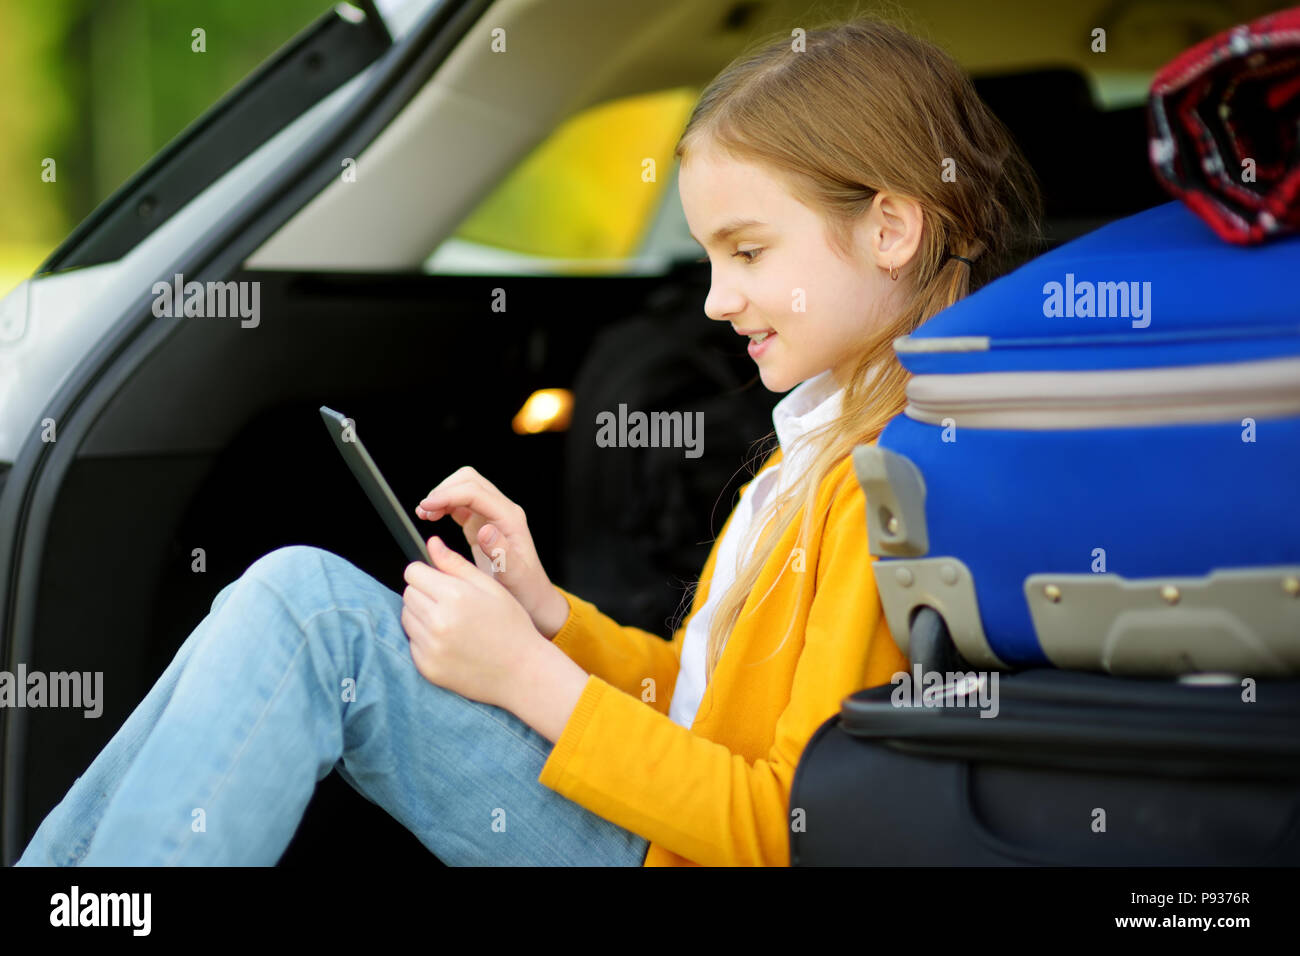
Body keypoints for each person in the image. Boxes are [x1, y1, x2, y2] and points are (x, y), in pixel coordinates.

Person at [14, 16, 1040, 867]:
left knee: (309, 612)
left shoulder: (887, 484)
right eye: (708, 255)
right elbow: (696, 696)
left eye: (749, 251)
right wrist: (550, 615)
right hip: (658, 827)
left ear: (892, 228)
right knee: (301, 603)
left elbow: (787, 825)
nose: (717, 299)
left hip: (673, 853)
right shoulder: (813, 447)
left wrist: (525, 676)